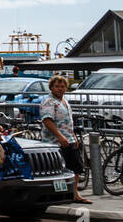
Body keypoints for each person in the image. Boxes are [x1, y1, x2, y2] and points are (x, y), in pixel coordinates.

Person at [39, 75, 91, 205]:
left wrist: (73, 136)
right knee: (59, 169)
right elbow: (47, 120)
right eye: (57, 86)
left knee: (76, 167)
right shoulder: (49, 101)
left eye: (62, 87)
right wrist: (59, 136)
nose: (60, 89)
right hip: (55, 141)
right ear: (51, 87)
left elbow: (68, 122)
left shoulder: (64, 101)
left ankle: (74, 193)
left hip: (69, 139)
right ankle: (58, 194)